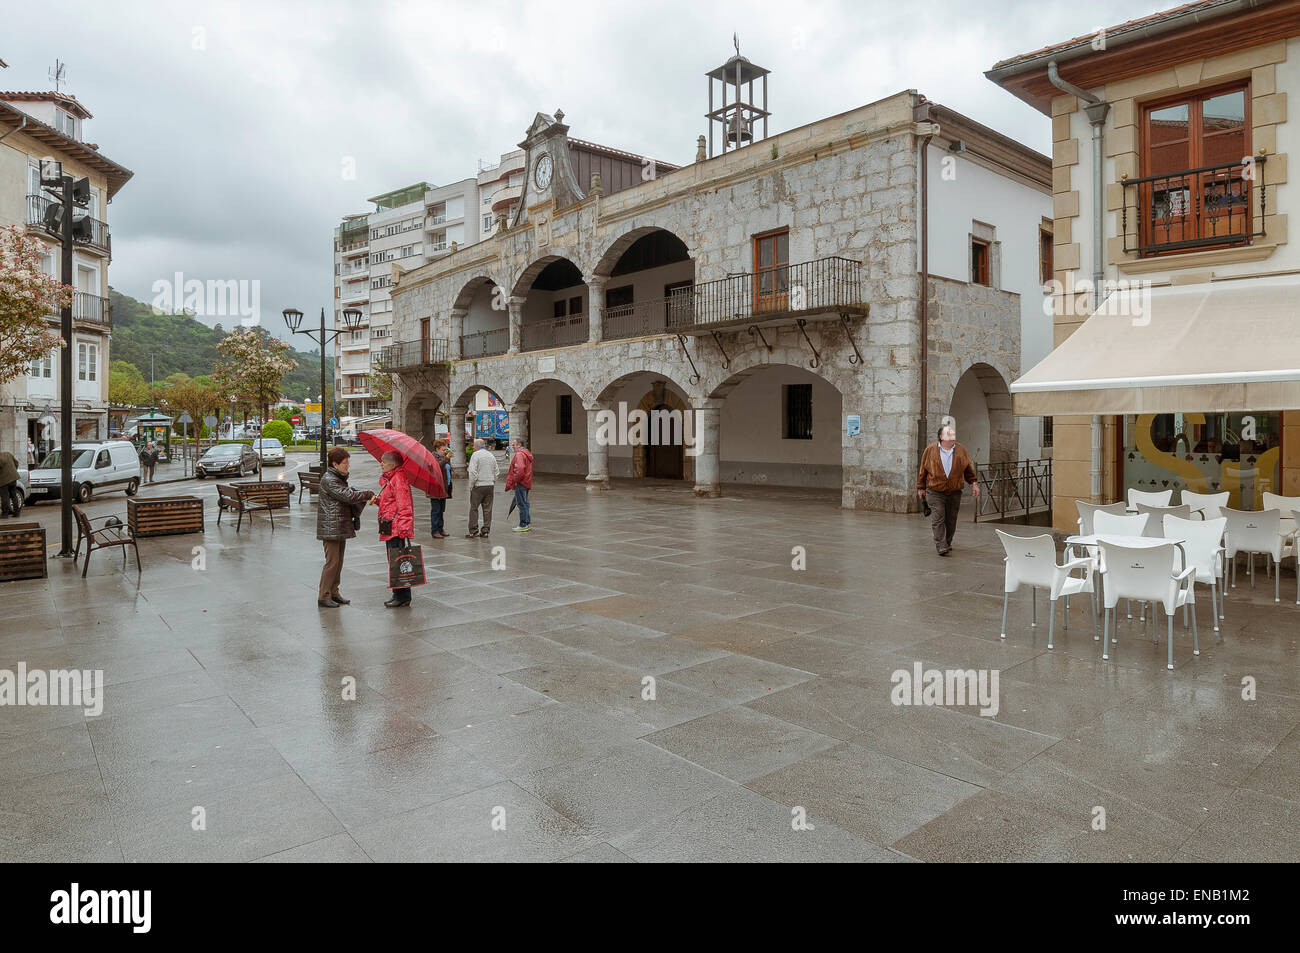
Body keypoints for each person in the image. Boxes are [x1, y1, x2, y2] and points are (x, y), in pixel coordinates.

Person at [316, 447, 374, 608]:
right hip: (331, 526)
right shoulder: (329, 479)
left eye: (348, 462)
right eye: (345, 463)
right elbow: (347, 496)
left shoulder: (338, 477)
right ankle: (324, 595)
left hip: (339, 525)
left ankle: (334, 592)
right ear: (335, 464)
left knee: (338, 562)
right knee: (332, 562)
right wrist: (367, 493)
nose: (347, 465)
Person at [916, 423, 980, 556]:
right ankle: (941, 545)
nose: (952, 436)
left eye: (952, 433)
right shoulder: (930, 450)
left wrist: (974, 483)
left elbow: (968, 470)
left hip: (954, 491)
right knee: (938, 518)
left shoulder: (961, 450)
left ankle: (947, 542)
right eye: (948, 434)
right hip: (935, 491)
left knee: (951, 520)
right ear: (941, 437)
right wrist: (921, 488)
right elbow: (923, 470)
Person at [374, 450, 415, 609]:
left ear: (392, 464)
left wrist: (404, 528)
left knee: (398, 563)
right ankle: (398, 594)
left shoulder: (399, 479)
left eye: (383, 462)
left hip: (396, 528)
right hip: (389, 526)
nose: (381, 464)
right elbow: (391, 503)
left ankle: (403, 596)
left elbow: (405, 505)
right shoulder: (391, 478)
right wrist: (378, 501)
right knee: (394, 562)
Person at [465, 437, 497, 538]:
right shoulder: (491, 455)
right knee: (488, 509)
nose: (473, 447)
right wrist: (492, 481)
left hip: (478, 485)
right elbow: (496, 471)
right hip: (489, 485)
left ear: (476, 446)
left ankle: (473, 530)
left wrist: (471, 485)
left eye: (474, 445)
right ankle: (486, 530)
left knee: (474, 508)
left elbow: (472, 472)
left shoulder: (475, 455)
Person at [505, 437, 533, 533]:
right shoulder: (526, 453)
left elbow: (520, 469)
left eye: (514, 444)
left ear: (519, 445)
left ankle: (523, 524)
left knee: (521, 503)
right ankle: (527, 523)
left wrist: (515, 480)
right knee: (525, 503)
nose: (512, 446)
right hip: (526, 482)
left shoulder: (520, 454)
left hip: (521, 482)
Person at [428, 438, 451, 539]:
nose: (445, 451)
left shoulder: (442, 457)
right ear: (437, 449)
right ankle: (435, 530)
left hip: (444, 488)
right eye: (443, 450)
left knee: (441, 510)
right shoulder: (433, 457)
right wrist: (446, 458)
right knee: (436, 510)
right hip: (435, 488)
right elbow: (437, 467)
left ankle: (441, 528)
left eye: (445, 450)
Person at [0, 448, 21, 519]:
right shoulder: (8, 454)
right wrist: (13, 471)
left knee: (5, 497)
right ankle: (17, 512)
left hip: (4, 480)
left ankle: (5, 514)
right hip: (13, 478)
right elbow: (16, 463)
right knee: (13, 495)